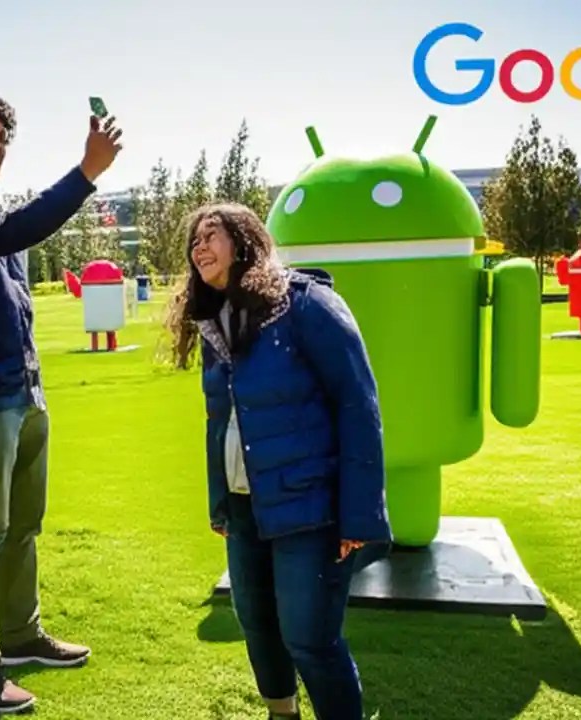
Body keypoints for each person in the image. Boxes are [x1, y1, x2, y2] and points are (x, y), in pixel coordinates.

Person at [0, 86, 123, 713]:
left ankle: (19, 636)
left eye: (0, 136)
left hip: (24, 392)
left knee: (23, 525)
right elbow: (12, 232)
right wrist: (87, 172)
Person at [163, 203, 392, 720]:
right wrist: (220, 500)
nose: (199, 247)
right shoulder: (216, 324)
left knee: (310, 638)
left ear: (245, 241)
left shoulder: (307, 304)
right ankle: (280, 713)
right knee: (258, 624)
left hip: (311, 508)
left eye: (211, 234)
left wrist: (360, 515)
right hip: (245, 508)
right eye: (194, 240)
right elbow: (219, 420)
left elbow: (358, 405)